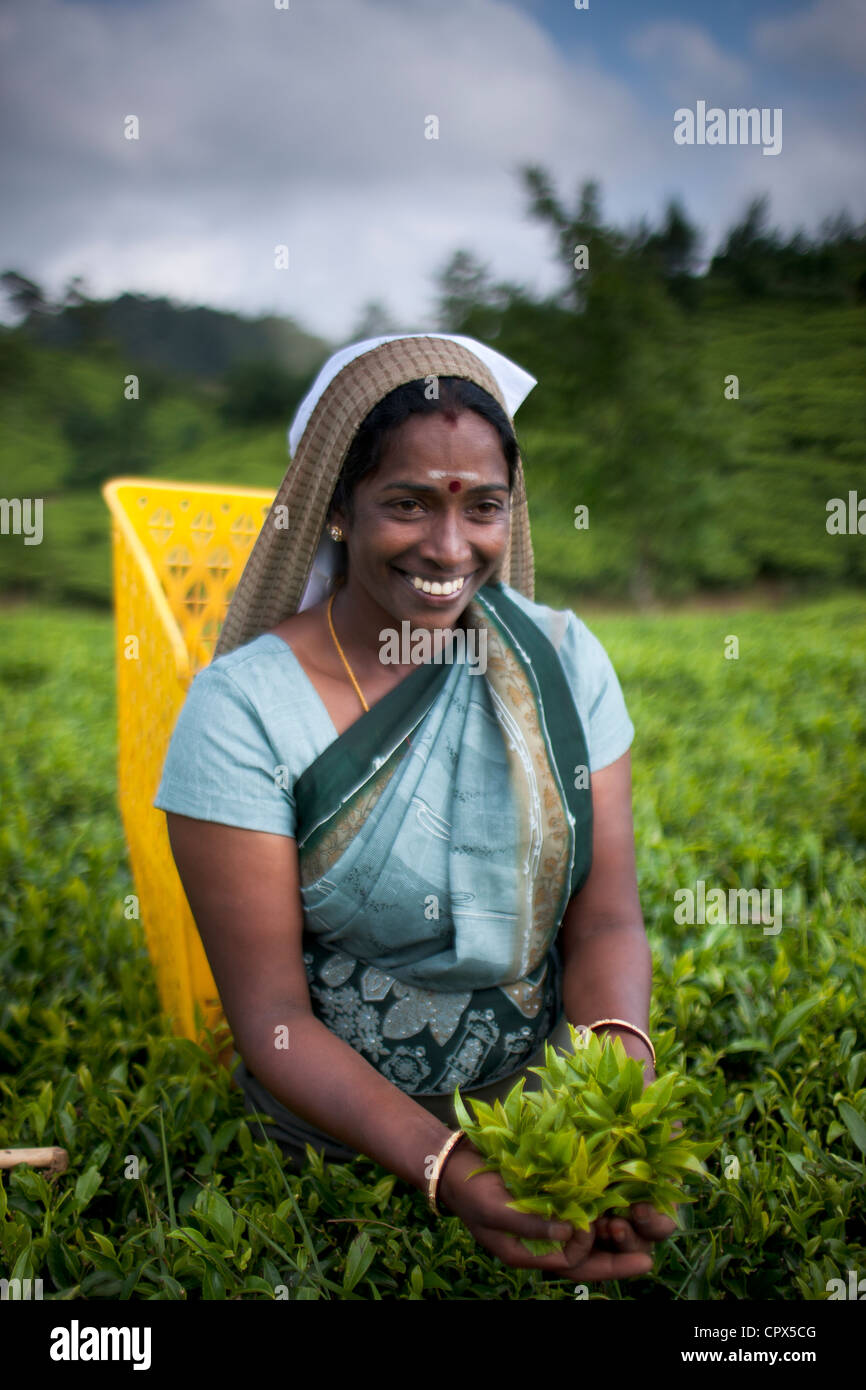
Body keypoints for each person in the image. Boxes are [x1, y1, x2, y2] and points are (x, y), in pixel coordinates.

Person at [154, 332, 676, 1284]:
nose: (449, 547)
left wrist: (608, 1115)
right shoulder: (242, 711)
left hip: (542, 1106)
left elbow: (606, 920)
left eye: (483, 508)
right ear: (340, 510)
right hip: (337, 1145)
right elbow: (270, 1016)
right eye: (407, 504)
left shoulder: (559, 663)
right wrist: (452, 1171)